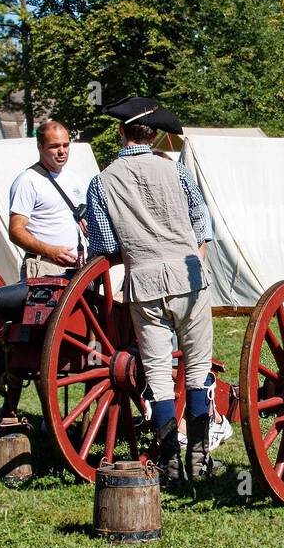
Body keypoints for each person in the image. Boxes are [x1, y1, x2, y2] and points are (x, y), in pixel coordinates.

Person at [85, 97, 217, 484]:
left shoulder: (101, 181)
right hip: (189, 278)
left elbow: (106, 246)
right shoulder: (175, 170)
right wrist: (196, 255)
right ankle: (198, 457)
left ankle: (170, 463)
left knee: (158, 373)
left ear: (121, 131)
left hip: (142, 284)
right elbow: (200, 218)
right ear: (154, 134)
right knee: (197, 368)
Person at [8, 120, 88, 279]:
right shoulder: (28, 180)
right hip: (46, 267)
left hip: (77, 269)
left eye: (66, 145)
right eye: (54, 146)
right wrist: (49, 251)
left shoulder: (74, 178)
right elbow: (15, 231)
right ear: (40, 147)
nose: (62, 151)